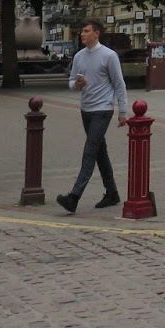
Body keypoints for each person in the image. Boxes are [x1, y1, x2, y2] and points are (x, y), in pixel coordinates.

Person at [56, 19, 128, 214]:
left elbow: (119, 84)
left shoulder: (109, 56)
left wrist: (122, 111)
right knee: (99, 152)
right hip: (86, 109)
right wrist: (76, 85)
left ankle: (74, 197)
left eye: (86, 31)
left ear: (97, 33)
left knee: (90, 151)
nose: (83, 34)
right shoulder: (79, 56)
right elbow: (71, 82)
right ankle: (112, 192)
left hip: (103, 110)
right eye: (82, 31)